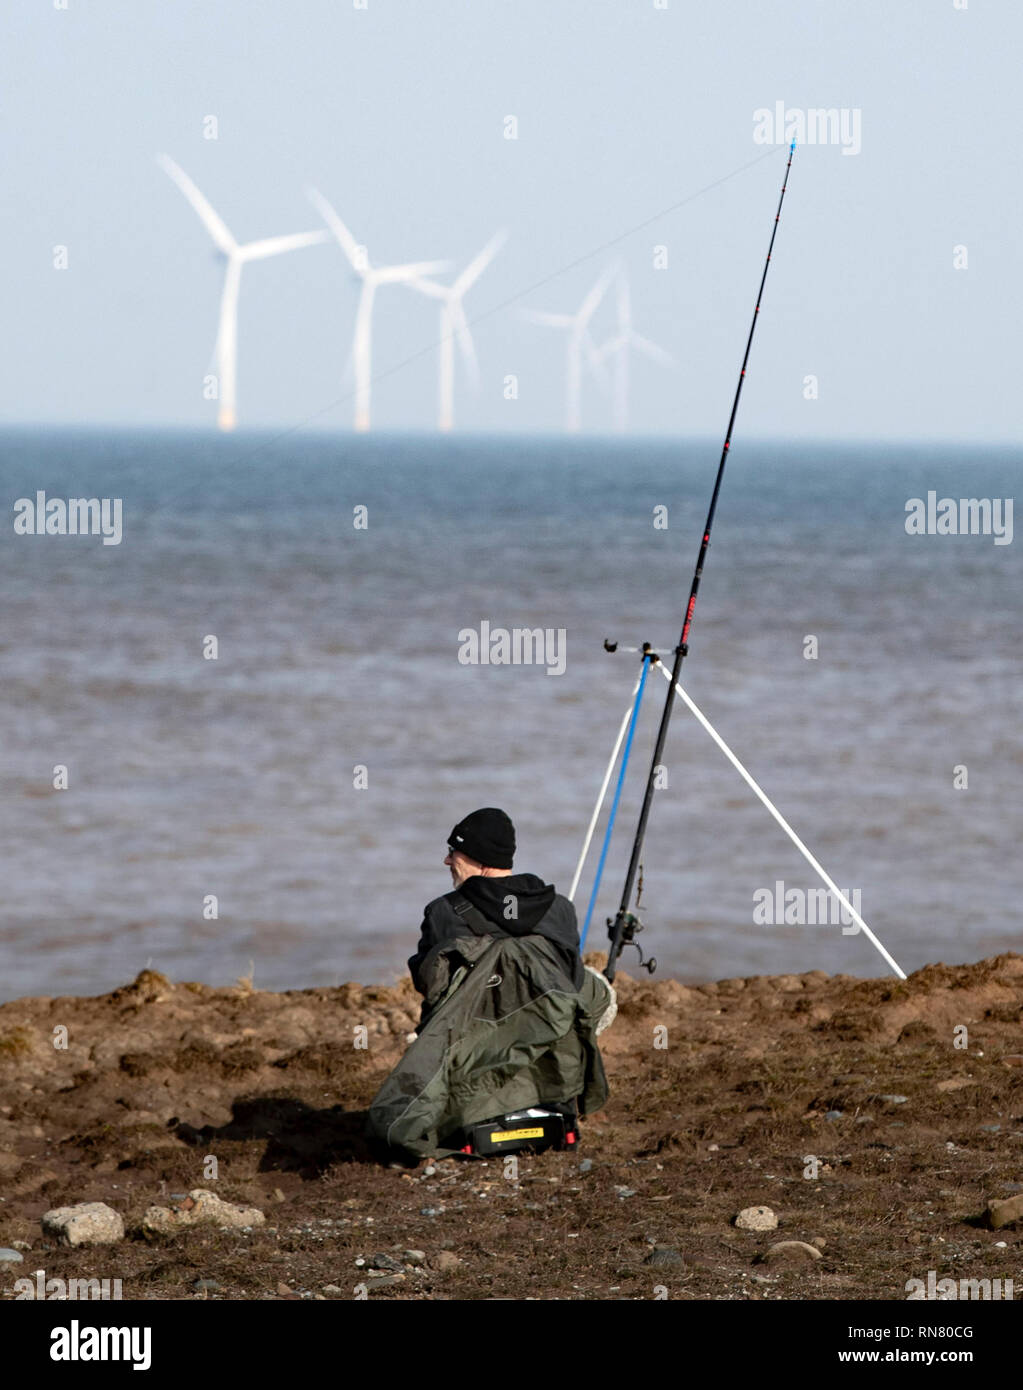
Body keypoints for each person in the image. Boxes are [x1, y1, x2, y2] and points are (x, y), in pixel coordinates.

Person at [407, 806, 584, 1030]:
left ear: (480, 861)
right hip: (545, 1032)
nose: (447, 860)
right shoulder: (560, 908)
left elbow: (428, 983)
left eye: (453, 851)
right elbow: (574, 977)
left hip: (471, 1041)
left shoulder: (443, 911)